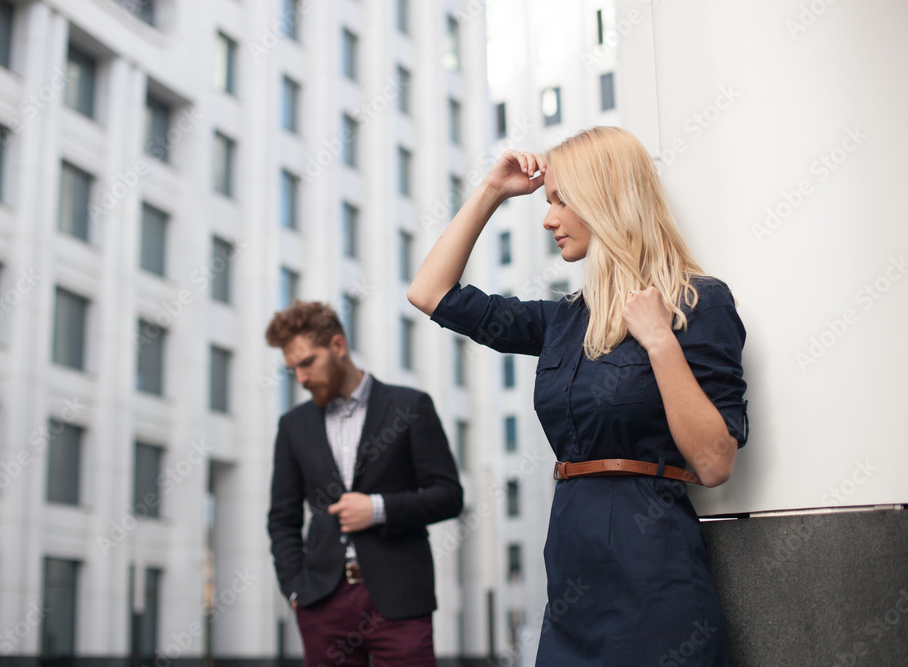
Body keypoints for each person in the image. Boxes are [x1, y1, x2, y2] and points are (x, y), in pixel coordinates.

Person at [408, 126, 748, 664]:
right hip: (571, 570)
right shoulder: (563, 320)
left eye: (561, 200)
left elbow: (713, 462)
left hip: (654, 575)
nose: (547, 218)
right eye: (548, 202)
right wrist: (492, 190)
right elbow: (430, 293)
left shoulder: (698, 302)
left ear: (606, 197)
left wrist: (659, 339)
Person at [265, 301, 463, 666]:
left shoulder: (411, 406)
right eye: (293, 369)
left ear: (338, 346)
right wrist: (295, 588)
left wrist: (377, 509)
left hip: (400, 598)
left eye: (307, 363)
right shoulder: (293, 426)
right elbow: (282, 518)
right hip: (322, 602)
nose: (301, 379)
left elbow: (449, 496)